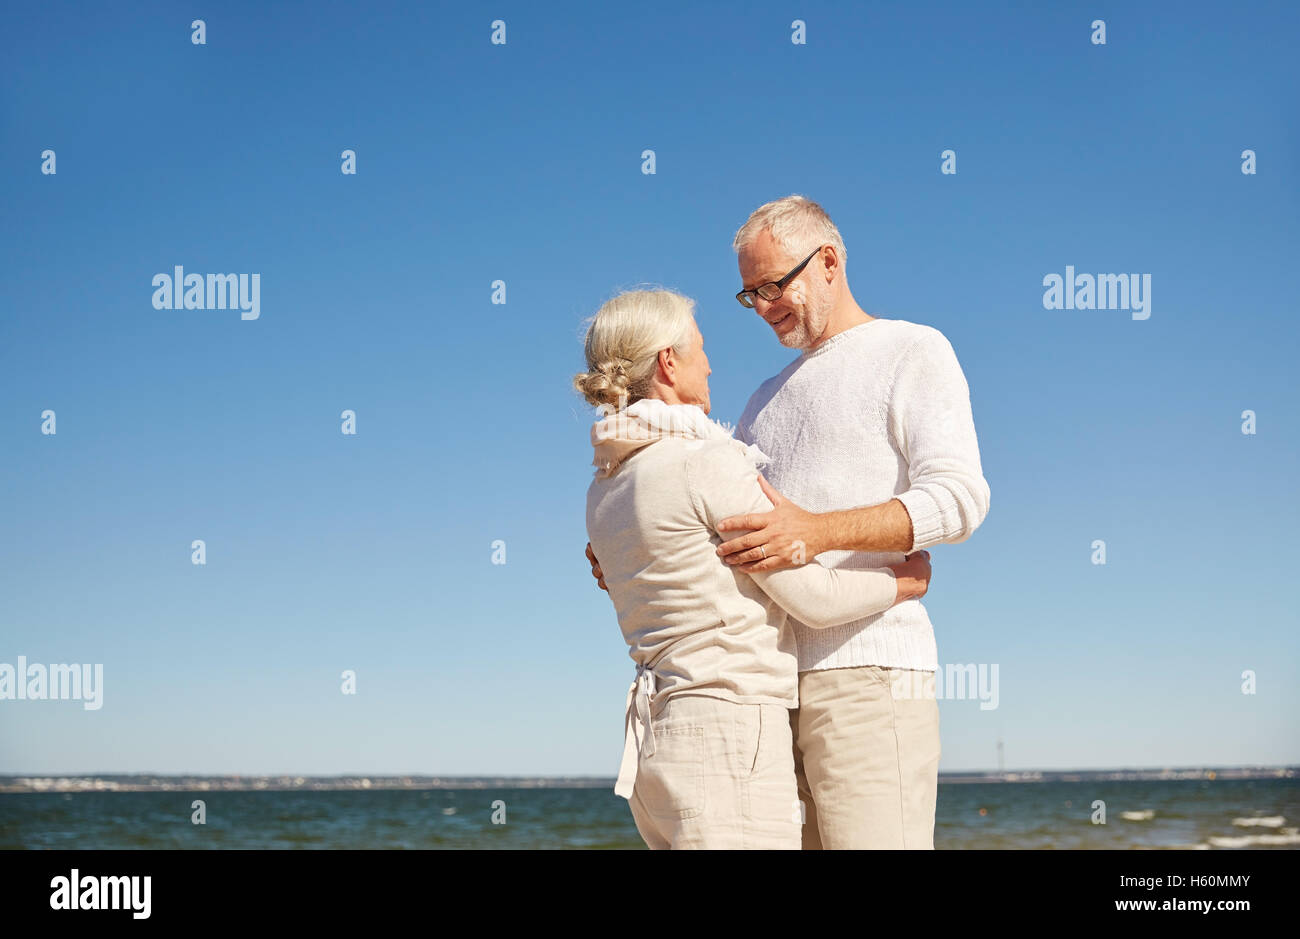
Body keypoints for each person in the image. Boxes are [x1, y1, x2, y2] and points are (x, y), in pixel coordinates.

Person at [588, 195, 990, 849]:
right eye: (750, 294)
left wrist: (822, 531)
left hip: (868, 672)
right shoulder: (759, 401)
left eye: (776, 283)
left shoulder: (912, 349)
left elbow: (960, 498)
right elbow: (728, 539)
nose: (765, 305)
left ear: (829, 260)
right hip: (766, 697)